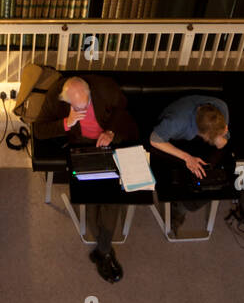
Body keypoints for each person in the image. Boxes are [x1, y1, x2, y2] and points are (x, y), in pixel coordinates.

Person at [33, 73, 138, 283]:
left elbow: (122, 109)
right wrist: (66, 122)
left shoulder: (105, 88)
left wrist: (110, 131)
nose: (82, 111)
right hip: (81, 145)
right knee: (90, 197)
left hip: (109, 141)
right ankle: (104, 250)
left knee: (112, 197)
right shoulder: (56, 96)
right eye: (77, 108)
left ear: (90, 94)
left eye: (85, 106)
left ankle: (103, 250)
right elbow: (39, 130)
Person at [149, 96, 230, 235]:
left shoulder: (221, 108)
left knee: (214, 183)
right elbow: (154, 139)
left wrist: (220, 137)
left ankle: (181, 207)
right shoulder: (177, 121)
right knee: (178, 180)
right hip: (172, 139)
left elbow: (223, 141)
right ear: (201, 133)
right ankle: (177, 209)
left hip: (196, 140)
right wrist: (187, 157)